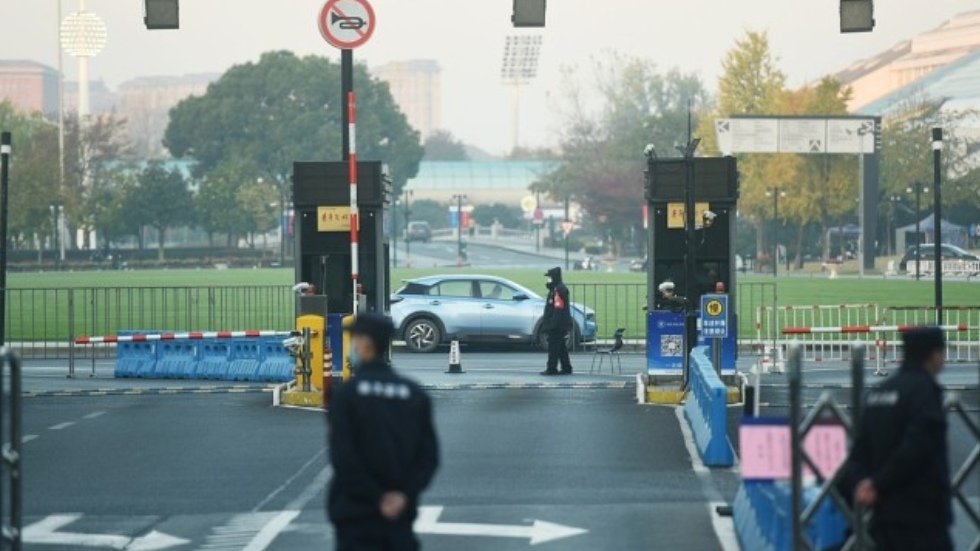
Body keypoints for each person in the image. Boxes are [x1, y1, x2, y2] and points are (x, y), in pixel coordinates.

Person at [327, 313, 440, 551]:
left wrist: (376, 496)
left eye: (355, 338)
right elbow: (428, 457)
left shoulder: (346, 396)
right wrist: (401, 495)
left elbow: (343, 457)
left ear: (365, 343)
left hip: (356, 513)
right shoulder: (414, 395)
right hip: (399, 516)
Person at [848, 326, 951, 551]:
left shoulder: (878, 392)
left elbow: (858, 451)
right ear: (934, 355)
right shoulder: (926, 391)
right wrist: (879, 483)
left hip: (883, 514)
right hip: (922, 512)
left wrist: (864, 484)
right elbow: (918, 446)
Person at [540, 266, 573, 376]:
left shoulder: (558, 290)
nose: (548, 280)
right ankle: (566, 367)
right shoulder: (557, 289)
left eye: (549, 277)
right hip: (560, 324)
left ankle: (551, 368)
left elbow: (558, 309)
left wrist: (552, 325)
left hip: (557, 325)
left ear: (553, 277)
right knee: (561, 347)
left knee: (553, 347)